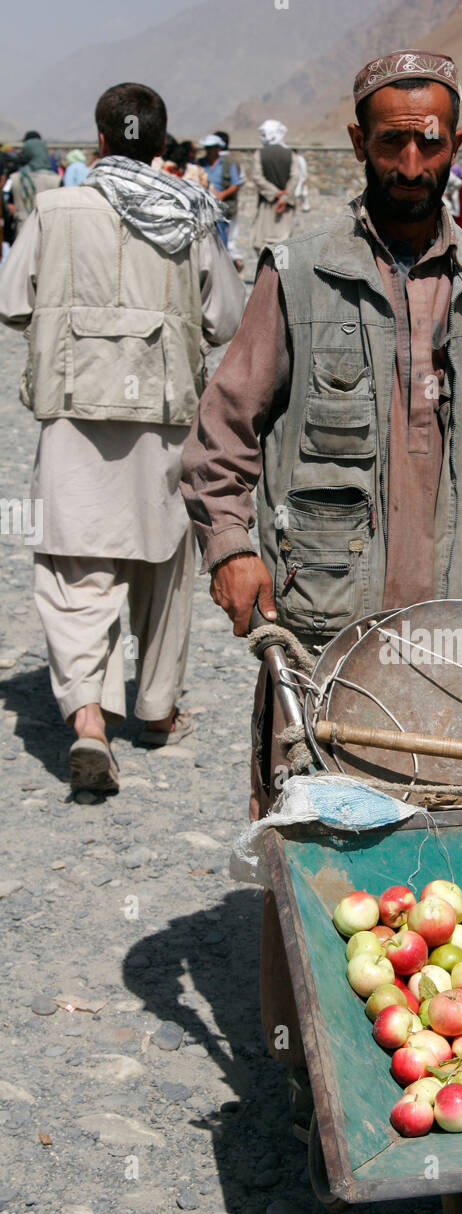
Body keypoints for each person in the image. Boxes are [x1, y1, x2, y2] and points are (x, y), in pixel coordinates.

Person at [179, 49, 462, 1119]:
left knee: (452, 870)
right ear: (358, 144)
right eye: (390, 138)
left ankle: (445, 1068)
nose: (411, 157)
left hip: (457, 644)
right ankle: (315, 1080)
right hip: (330, 639)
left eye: (430, 138)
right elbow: (220, 442)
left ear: (454, 142)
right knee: (319, 853)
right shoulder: (297, 278)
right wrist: (233, 548)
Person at [0, 82, 245, 794]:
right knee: (164, 567)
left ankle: (87, 723)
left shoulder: (53, 208)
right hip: (164, 423)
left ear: (100, 141)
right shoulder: (189, 214)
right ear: (162, 145)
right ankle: (159, 712)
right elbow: (225, 318)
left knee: (76, 573)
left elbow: (13, 302)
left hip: (76, 418)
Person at [251, 119, 296, 254]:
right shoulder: (291, 154)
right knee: (283, 243)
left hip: (267, 204)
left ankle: (265, 274)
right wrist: (284, 198)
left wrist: (275, 193)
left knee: (264, 242)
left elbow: (258, 177)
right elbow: (295, 177)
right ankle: (281, 274)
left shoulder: (259, 154)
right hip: (285, 206)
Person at [7, 137, 60, 233]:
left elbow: (10, 205)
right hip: (47, 231)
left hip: (22, 231)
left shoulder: (16, 178)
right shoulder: (55, 180)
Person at [200, 133, 242, 251]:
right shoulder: (201, 163)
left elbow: (236, 184)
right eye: (207, 148)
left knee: (221, 234)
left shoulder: (228, 164)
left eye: (211, 148)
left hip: (221, 206)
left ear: (218, 148)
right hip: (203, 205)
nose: (208, 151)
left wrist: (221, 195)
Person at [213, 130, 246, 267]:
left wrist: (220, 194)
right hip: (230, 204)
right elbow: (241, 181)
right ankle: (233, 261)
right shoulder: (236, 160)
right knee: (231, 237)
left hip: (216, 205)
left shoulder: (211, 161)